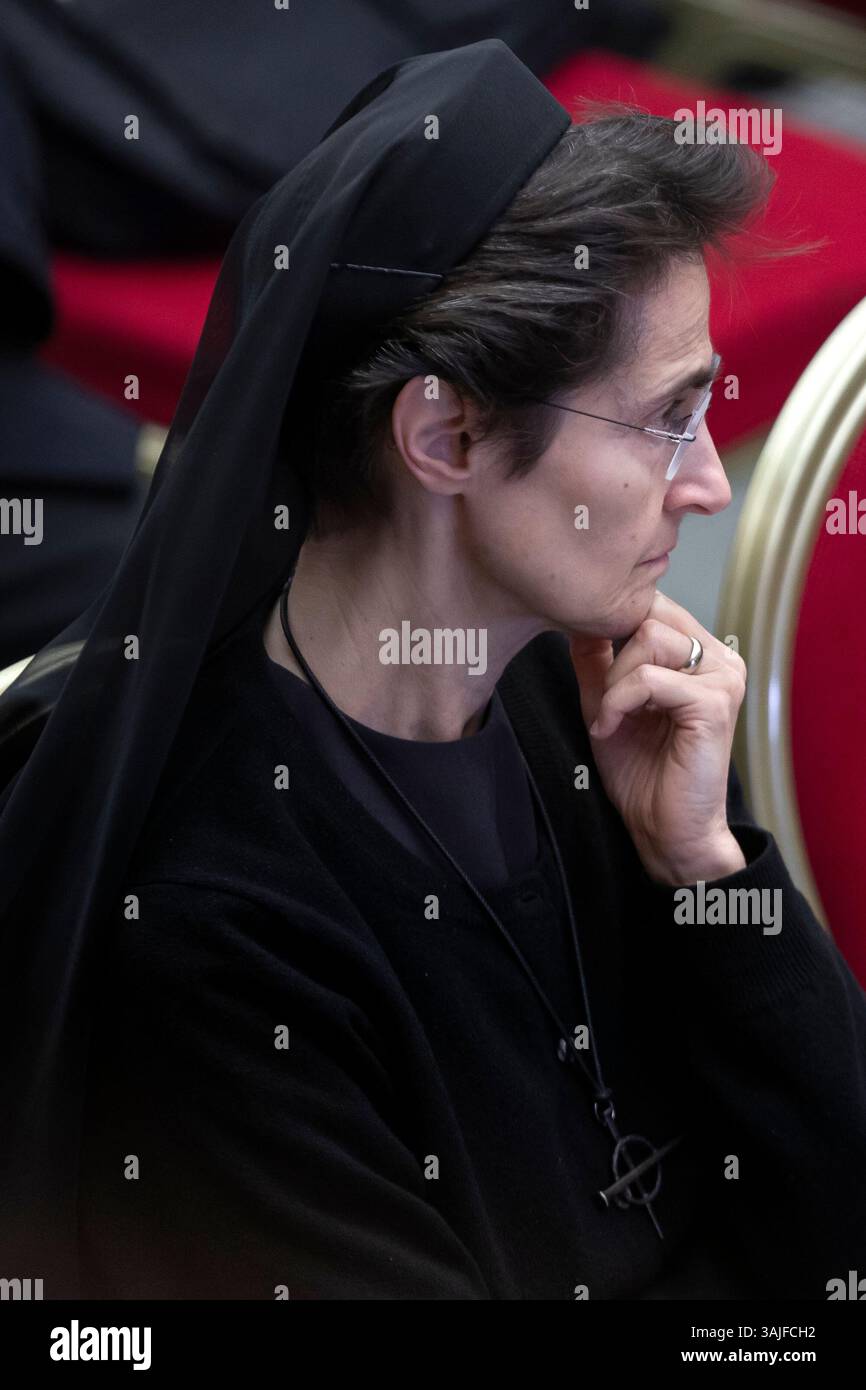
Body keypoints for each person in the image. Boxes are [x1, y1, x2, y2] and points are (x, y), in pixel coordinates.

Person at [1, 39, 864, 1301]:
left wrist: (705, 874)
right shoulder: (209, 932)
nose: (707, 485)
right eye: (661, 419)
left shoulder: (598, 689)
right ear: (444, 434)